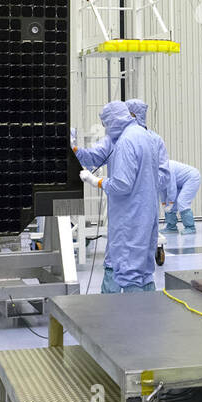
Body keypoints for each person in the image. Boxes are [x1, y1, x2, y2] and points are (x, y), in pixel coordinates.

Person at [79, 101, 161, 293]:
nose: (106, 129)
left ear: (114, 121)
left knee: (129, 272)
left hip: (129, 218)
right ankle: (150, 315)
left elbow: (122, 185)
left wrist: (96, 181)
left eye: (106, 124)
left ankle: (131, 321)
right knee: (144, 272)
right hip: (146, 214)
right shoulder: (145, 136)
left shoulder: (125, 141)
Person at [162, 160, 201, 234]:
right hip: (179, 182)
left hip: (191, 178)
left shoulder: (167, 168)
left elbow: (172, 189)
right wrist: (164, 204)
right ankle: (171, 227)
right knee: (170, 204)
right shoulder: (157, 173)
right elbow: (162, 190)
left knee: (182, 201)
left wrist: (170, 204)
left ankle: (190, 227)